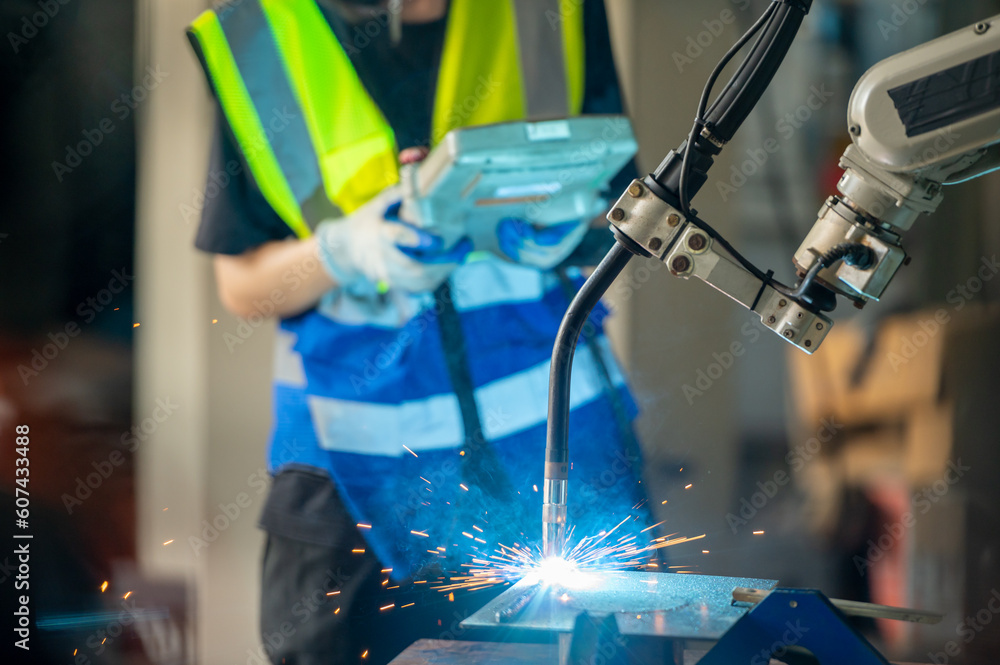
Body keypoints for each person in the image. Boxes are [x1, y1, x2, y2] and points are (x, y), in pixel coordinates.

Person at [187, 0, 652, 663]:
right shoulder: (264, 35)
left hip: (557, 452)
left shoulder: (550, 10)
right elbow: (241, 285)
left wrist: (572, 228)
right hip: (348, 482)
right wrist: (345, 250)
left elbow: (622, 207)